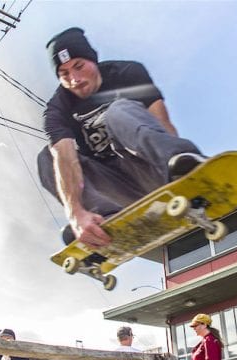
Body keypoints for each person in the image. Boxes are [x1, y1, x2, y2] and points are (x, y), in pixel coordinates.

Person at [38, 27, 205, 248]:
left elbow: (162, 124)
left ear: (92, 60)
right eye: (65, 74)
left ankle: (183, 171)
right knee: (47, 156)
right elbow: (65, 158)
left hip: (152, 171)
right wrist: (75, 213)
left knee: (118, 111)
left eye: (79, 67)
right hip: (114, 188)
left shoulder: (127, 73)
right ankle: (104, 218)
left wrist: (182, 164)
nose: (75, 79)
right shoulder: (57, 109)